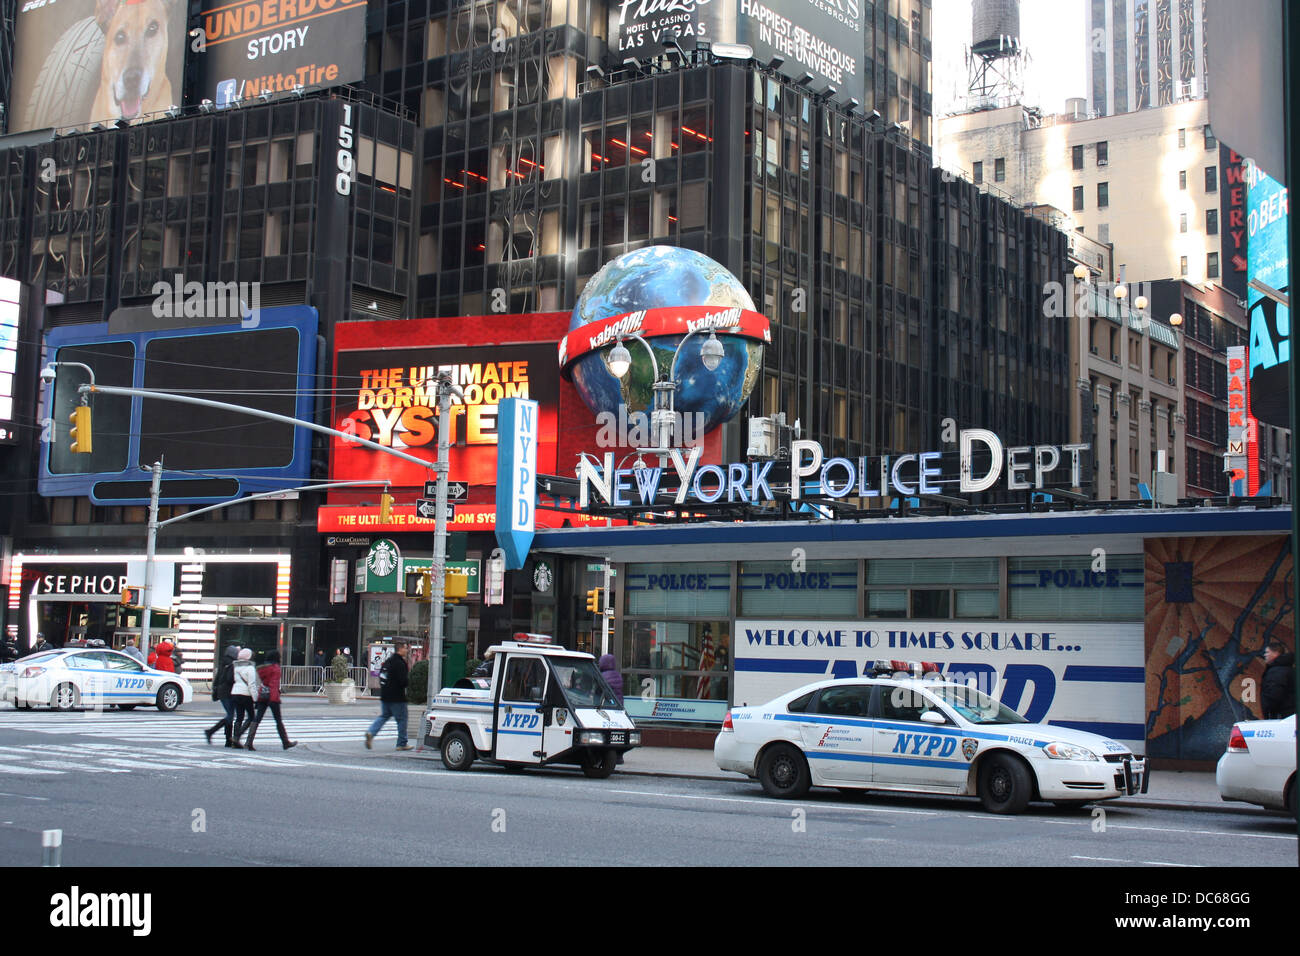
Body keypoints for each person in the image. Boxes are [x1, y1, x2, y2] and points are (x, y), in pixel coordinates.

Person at [243, 650, 297, 751]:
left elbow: (265, 682)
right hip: (272, 696)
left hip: (263, 694)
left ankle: (248, 742)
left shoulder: (262, 668)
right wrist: (274, 698)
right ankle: (285, 742)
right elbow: (274, 684)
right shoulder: (275, 668)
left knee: (257, 719)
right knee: (278, 720)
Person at [365, 642, 412, 751]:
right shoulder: (400, 663)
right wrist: (407, 682)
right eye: (405, 648)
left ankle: (371, 732)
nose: (407, 650)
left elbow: (382, 676)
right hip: (397, 697)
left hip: (385, 695)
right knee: (402, 719)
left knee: (384, 716)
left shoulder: (388, 661)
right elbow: (403, 681)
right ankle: (402, 743)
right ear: (400, 649)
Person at [204, 645, 241, 747]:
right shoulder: (231, 664)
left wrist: (215, 688)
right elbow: (230, 679)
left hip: (222, 691)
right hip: (228, 691)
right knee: (230, 715)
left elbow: (218, 677)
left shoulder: (223, 662)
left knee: (230, 715)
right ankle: (211, 732)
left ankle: (228, 740)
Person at [229, 649, 261, 750]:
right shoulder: (250, 668)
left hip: (235, 692)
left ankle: (235, 742)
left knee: (239, 717)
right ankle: (238, 737)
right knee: (252, 717)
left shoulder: (236, 667)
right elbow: (252, 685)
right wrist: (256, 699)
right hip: (245, 694)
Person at [1261, 640, 1296, 719]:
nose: (1265, 655)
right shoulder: (1288, 669)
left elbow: (1275, 693)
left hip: (1281, 715)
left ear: (1276, 653)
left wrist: (1269, 710)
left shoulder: (1277, 671)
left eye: (1267, 652)